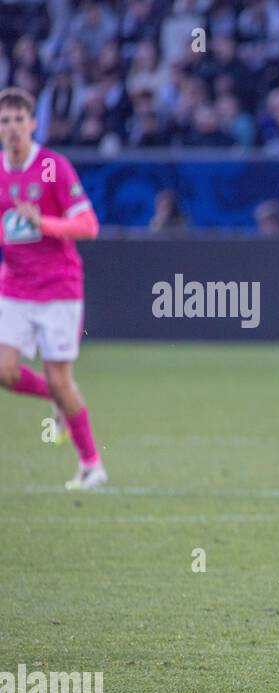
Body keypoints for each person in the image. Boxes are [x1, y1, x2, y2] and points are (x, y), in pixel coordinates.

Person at [0, 86, 106, 490]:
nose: (11, 129)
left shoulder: (51, 167)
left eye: (18, 120)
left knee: (62, 380)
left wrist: (43, 223)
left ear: (33, 123)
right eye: (4, 121)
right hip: (15, 287)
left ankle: (91, 464)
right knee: (4, 370)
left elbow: (88, 226)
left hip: (59, 288)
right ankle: (54, 400)